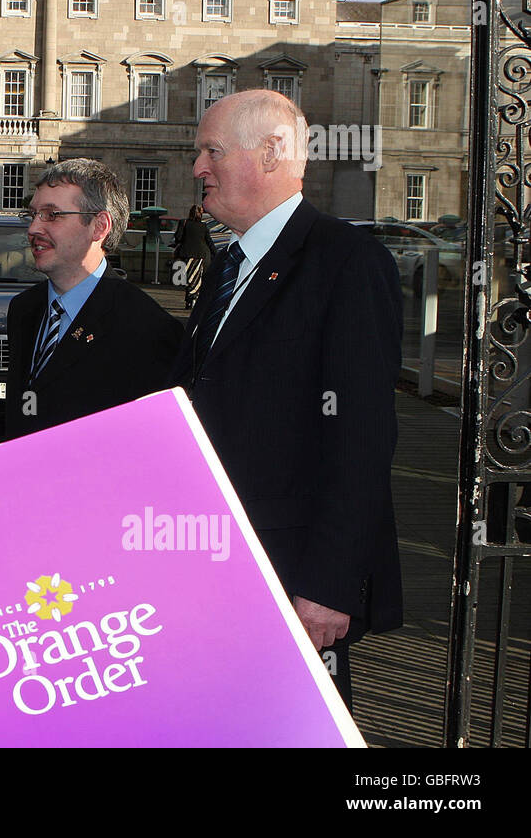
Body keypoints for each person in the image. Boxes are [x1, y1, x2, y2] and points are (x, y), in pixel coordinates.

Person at [170, 88, 403, 709]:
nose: (198, 168)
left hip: (294, 571)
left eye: (211, 150)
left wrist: (328, 584)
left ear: (273, 153)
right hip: (221, 559)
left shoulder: (346, 262)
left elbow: (361, 436)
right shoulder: (228, 265)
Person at [6, 160, 182, 439]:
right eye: (33, 215)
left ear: (99, 227)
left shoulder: (146, 327)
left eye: (52, 215)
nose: (34, 229)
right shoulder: (24, 309)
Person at [172, 203, 215, 310]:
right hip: (201, 254)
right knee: (196, 278)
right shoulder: (203, 226)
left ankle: (190, 300)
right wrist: (216, 253)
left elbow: (178, 237)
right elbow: (209, 241)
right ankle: (192, 299)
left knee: (188, 278)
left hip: (187, 254)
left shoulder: (184, 222)